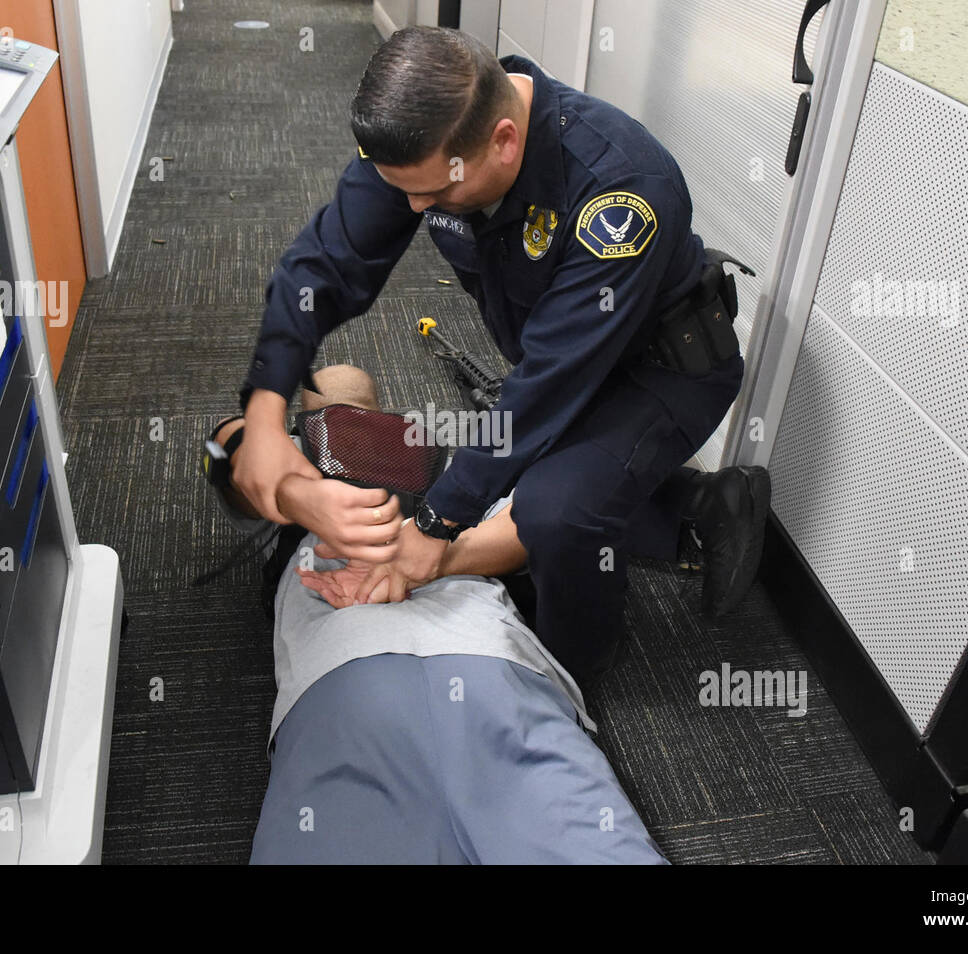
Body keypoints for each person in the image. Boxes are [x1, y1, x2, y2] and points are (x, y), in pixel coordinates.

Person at [229, 26, 769, 687]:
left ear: (504, 142)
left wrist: (435, 529)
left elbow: (545, 386)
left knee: (552, 511)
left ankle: (574, 669)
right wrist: (262, 411)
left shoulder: (622, 191)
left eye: (433, 197)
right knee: (515, 475)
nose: (415, 210)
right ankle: (698, 506)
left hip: (662, 373)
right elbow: (320, 267)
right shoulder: (426, 141)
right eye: (406, 193)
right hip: (560, 354)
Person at [214, 365, 668, 864]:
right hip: (371, 692)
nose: (361, 439)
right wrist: (290, 488)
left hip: (475, 679)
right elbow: (221, 448)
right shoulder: (297, 490)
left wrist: (433, 556)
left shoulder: (461, 486)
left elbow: (537, 527)